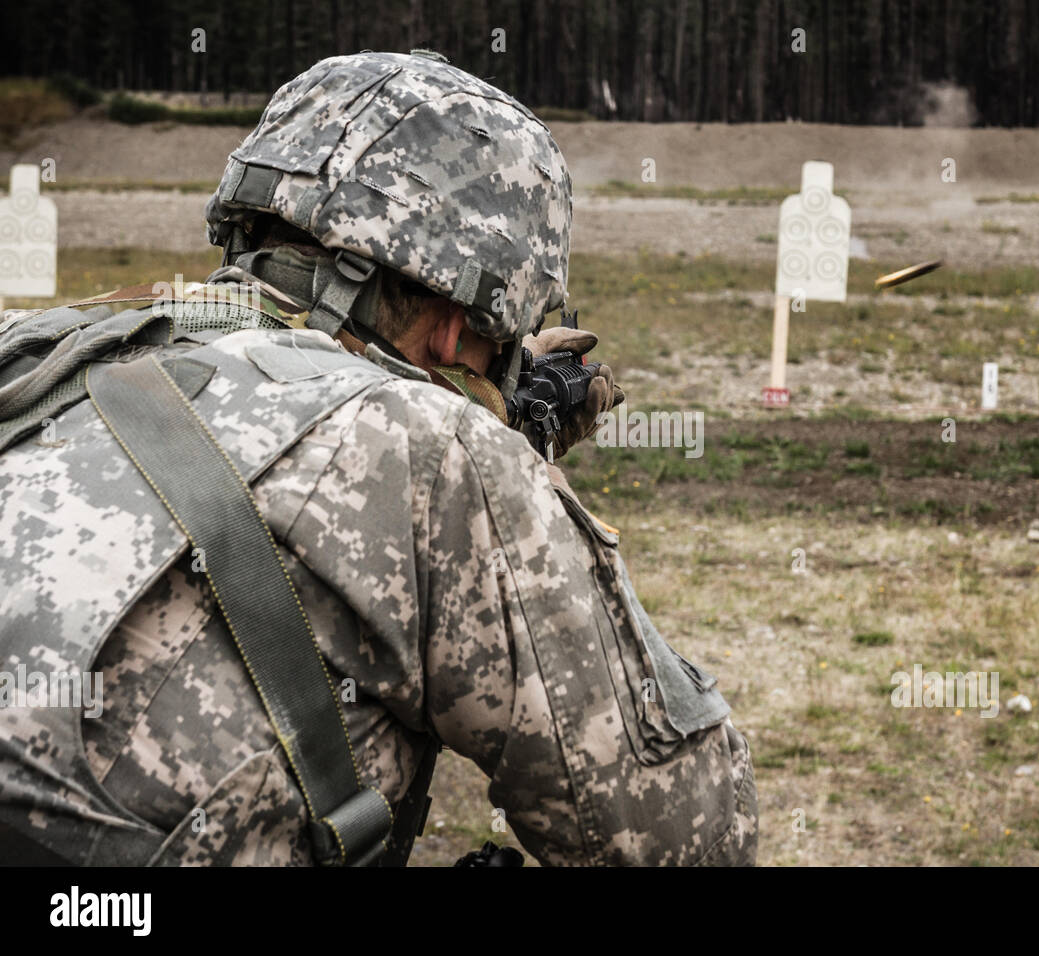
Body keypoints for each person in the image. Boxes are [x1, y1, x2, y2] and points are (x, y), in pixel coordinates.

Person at [0, 50, 757, 866]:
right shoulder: (437, 453)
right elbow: (691, 835)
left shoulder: (31, 355)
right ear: (453, 325)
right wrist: (523, 475)